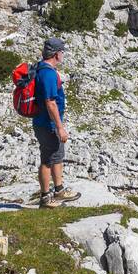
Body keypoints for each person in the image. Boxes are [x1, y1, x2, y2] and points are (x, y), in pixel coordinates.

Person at [31, 36, 79, 207]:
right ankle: (45, 198)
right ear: (57, 54)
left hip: (45, 122)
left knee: (57, 156)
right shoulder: (49, 74)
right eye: (62, 52)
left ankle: (58, 190)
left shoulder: (41, 68)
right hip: (48, 124)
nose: (63, 55)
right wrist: (60, 128)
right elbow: (50, 102)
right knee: (47, 160)